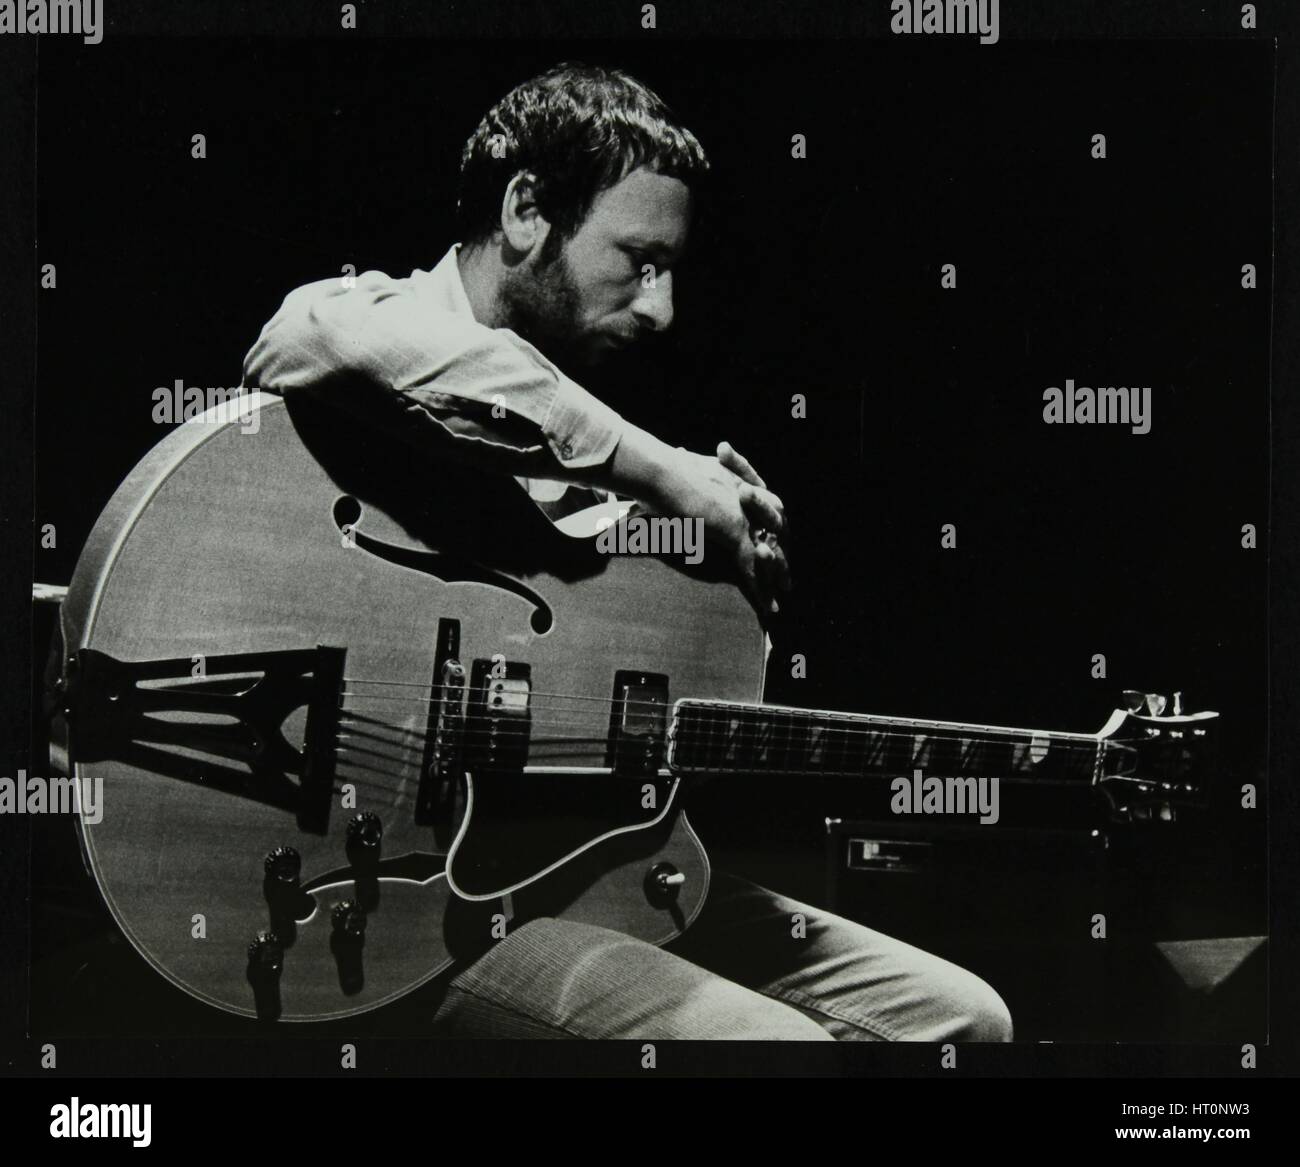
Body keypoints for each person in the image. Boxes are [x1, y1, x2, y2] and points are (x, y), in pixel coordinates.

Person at [243, 62, 1013, 1041]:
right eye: (638, 259)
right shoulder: (360, 316)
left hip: (564, 879)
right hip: (400, 904)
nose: (660, 309)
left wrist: (716, 606)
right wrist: (665, 474)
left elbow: (605, 740)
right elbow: (328, 339)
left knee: (965, 1021)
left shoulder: (581, 479)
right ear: (526, 209)